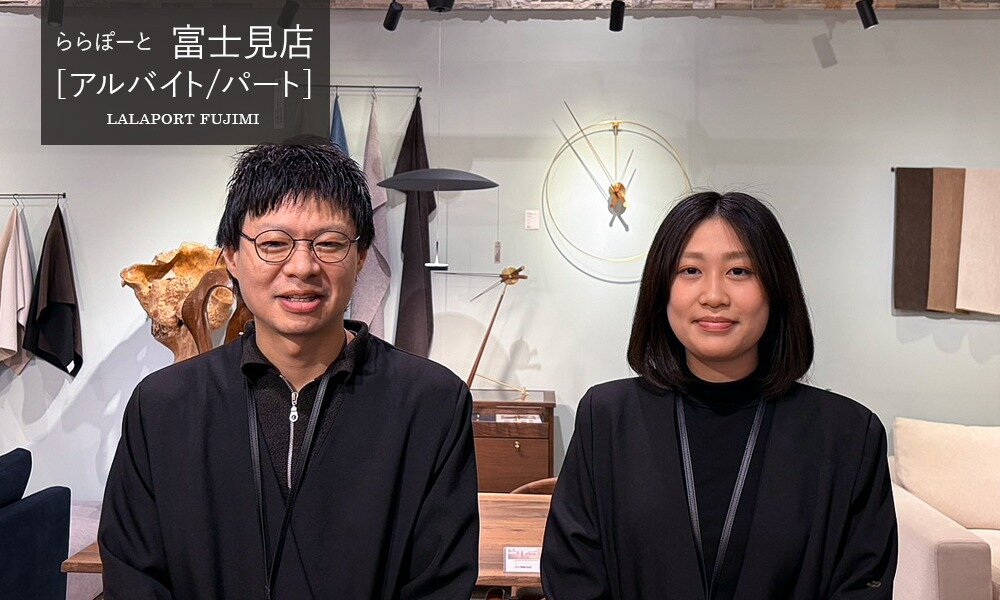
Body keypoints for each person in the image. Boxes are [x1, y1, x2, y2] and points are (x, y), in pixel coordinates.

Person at [99, 142, 480, 600]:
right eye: (273, 244)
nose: (302, 267)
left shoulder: (431, 403)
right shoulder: (163, 406)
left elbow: (440, 582)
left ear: (361, 258)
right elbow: (133, 575)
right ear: (231, 257)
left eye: (330, 243)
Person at [540, 191, 897, 600]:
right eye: (690, 270)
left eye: (739, 271)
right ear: (661, 289)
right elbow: (572, 574)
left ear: (776, 288)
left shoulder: (848, 435)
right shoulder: (606, 418)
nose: (713, 296)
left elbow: (862, 584)